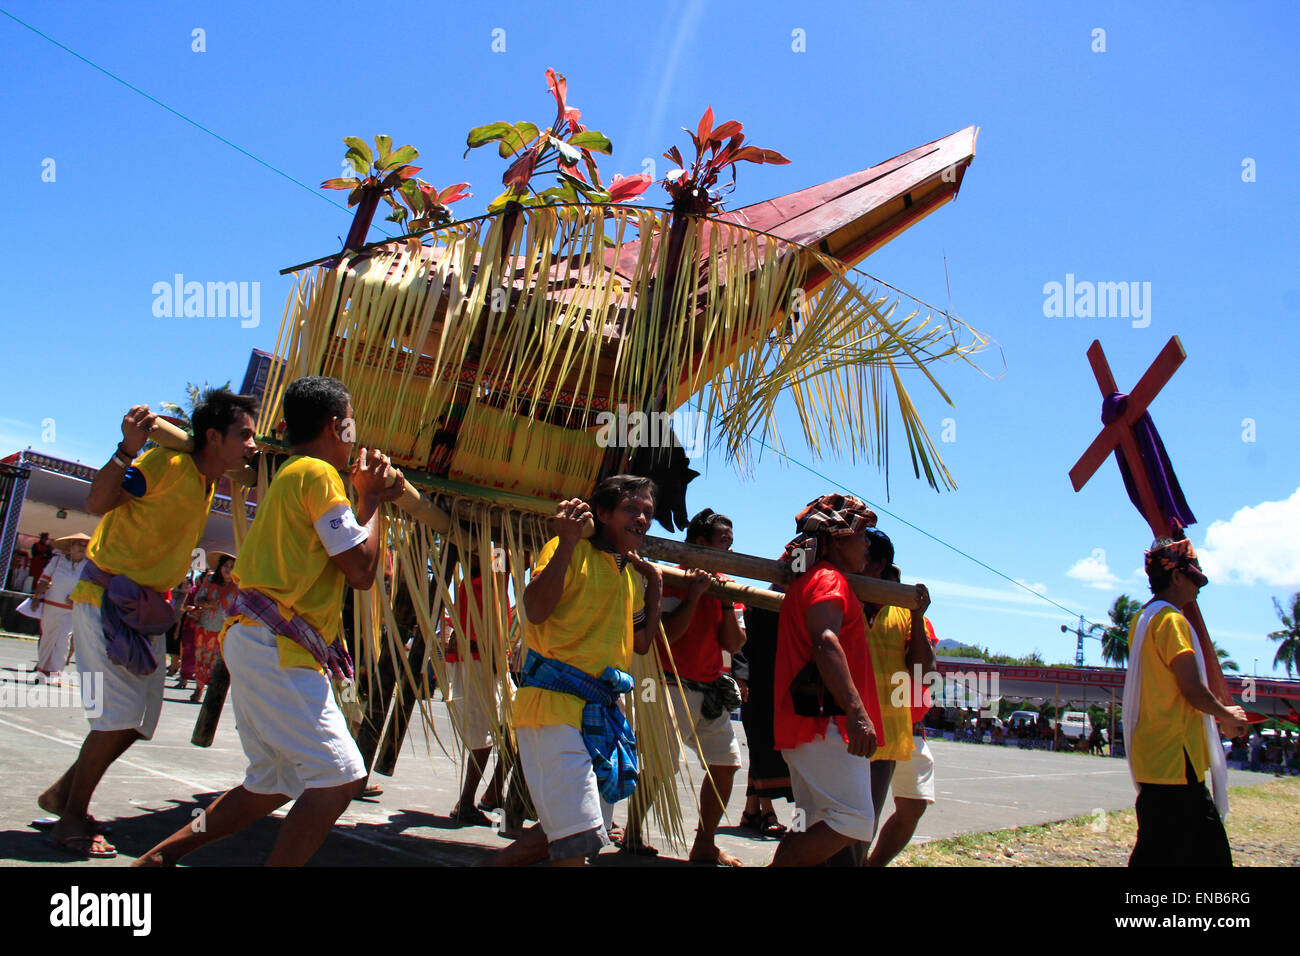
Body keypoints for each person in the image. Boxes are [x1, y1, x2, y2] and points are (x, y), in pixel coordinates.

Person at [135, 375, 404, 866]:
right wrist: (372, 499)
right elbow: (362, 570)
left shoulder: (296, 476)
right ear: (335, 425)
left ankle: (159, 859)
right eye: (351, 425)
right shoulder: (318, 476)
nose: (354, 435)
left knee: (273, 783)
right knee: (341, 775)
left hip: (260, 641)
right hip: (275, 647)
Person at [37, 391, 258, 859]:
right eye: (245, 435)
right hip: (105, 599)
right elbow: (99, 502)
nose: (252, 445)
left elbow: (254, 472)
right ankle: (72, 817)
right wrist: (126, 449)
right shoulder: (166, 465)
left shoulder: (208, 479)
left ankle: (62, 794)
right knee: (117, 717)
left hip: (147, 612)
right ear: (214, 437)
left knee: (138, 724)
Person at [490, 475, 663, 867]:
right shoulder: (568, 550)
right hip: (553, 710)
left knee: (577, 830)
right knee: (577, 837)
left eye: (647, 512)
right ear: (601, 513)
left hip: (600, 715)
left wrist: (654, 583)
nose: (641, 518)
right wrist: (567, 541)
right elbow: (534, 610)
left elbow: (641, 642)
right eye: (630, 509)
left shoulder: (629, 577)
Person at [770, 494, 919, 866]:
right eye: (862, 533)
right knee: (853, 823)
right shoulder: (828, 579)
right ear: (837, 538)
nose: (868, 542)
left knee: (813, 822)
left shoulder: (812, 578)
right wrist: (858, 712)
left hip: (807, 724)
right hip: (825, 724)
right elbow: (825, 642)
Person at [622, 508, 746, 865]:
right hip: (667, 684)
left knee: (725, 765)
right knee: (662, 765)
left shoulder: (727, 587)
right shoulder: (669, 578)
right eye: (724, 543)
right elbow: (668, 637)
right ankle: (632, 832)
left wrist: (722, 601)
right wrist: (694, 596)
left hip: (708, 688)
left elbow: (734, 644)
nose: (730, 552)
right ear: (700, 543)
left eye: (732, 544)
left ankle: (705, 842)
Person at [1122, 537, 1250, 867]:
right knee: (1212, 858)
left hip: (1152, 756)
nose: (1199, 585)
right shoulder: (1172, 621)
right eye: (1194, 576)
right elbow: (1191, 690)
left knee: (1157, 853)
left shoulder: (1141, 620)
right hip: (1178, 763)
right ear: (1176, 577)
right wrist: (1227, 714)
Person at [866, 560, 937, 867]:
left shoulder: (912, 618)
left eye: (895, 583)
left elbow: (923, 673)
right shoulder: (861, 612)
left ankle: (872, 864)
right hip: (877, 724)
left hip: (911, 724)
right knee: (865, 812)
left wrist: (917, 616)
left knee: (915, 805)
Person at [445, 557, 509, 825]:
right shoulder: (489, 565)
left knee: (517, 728)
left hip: (489, 659)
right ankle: (466, 802)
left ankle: (493, 793)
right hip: (477, 658)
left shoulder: (494, 569)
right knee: (483, 735)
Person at [32, 533, 90, 678]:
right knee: (47, 637)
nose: (82, 548)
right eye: (79, 544)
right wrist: (36, 597)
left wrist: (78, 596)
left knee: (64, 637)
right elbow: (44, 579)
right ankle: (42, 668)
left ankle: (56, 672)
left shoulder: (89, 565)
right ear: (70, 546)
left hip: (72, 609)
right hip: (51, 606)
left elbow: (91, 586)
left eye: (85, 545)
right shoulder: (57, 561)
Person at [189, 552, 238, 703]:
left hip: (225, 631)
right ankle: (199, 688)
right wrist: (208, 604)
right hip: (205, 627)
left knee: (218, 662)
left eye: (232, 566)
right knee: (201, 658)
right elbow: (198, 599)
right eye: (226, 565)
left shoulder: (239, 586)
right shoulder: (210, 581)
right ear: (220, 567)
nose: (228, 569)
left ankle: (212, 692)